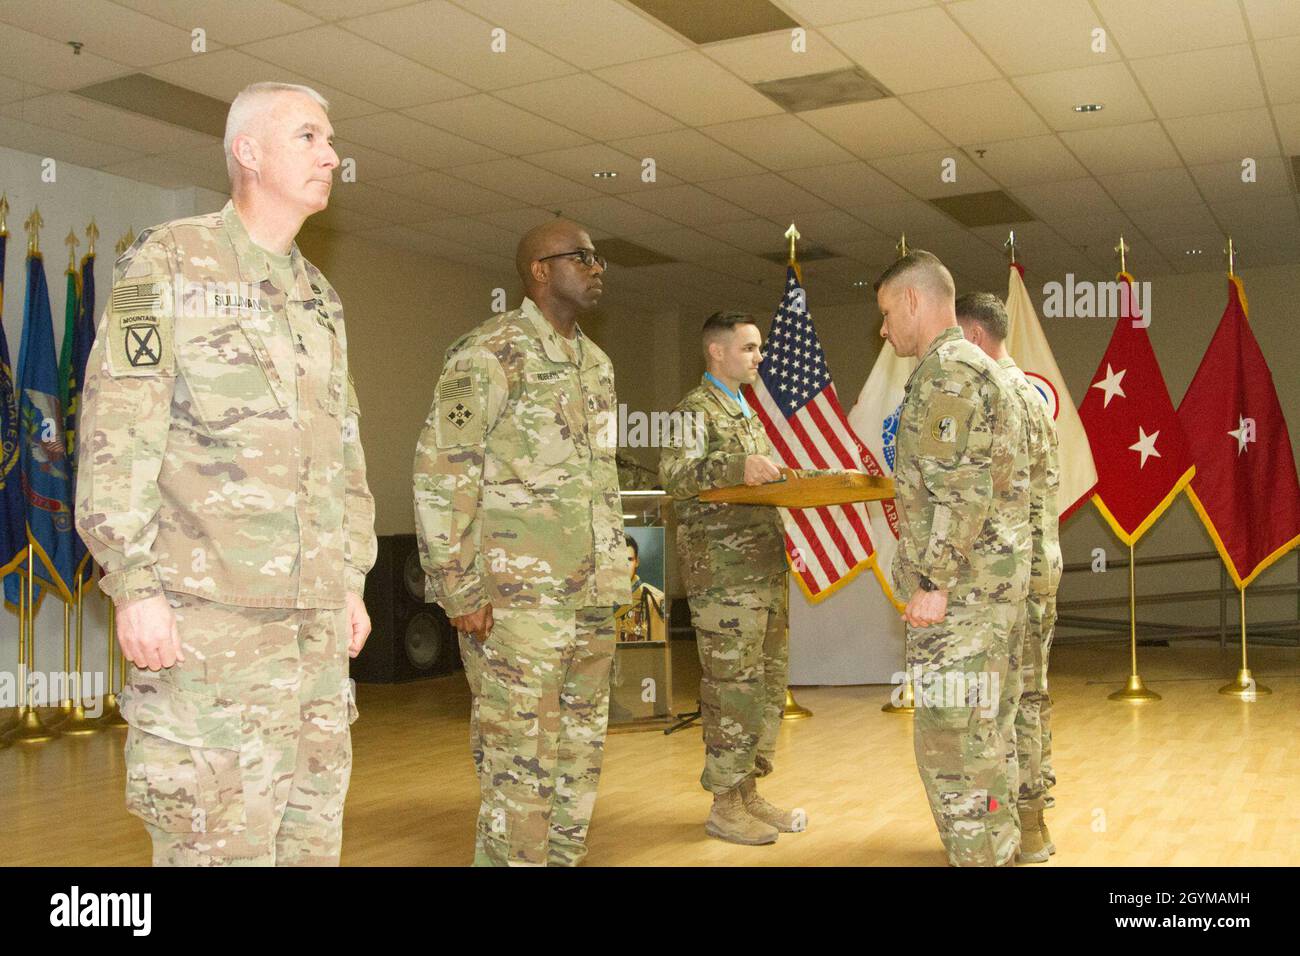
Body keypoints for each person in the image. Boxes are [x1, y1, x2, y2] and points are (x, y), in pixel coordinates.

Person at [75, 82, 376, 867]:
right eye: (309, 136)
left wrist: (350, 578)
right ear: (247, 152)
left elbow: (343, 450)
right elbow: (117, 431)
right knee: (213, 847)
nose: (331, 154)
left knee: (309, 847)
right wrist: (133, 584)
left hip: (312, 635)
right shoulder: (168, 261)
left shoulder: (320, 299)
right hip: (208, 629)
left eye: (332, 138)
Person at [414, 218, 628, 867]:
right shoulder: (488, 353)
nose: (596, 269)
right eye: (581, 258)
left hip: (590, 597)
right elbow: (443, 470)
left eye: (598, 259)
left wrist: (616, 568)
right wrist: (458, 588)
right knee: (520, 757)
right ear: (539, 271)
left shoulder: (596, 363)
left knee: (579, 753)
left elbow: (601, 476)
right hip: (515, 605)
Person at [875, 252, 1030, 867]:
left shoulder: (947, 374)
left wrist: (933, 582)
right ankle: (1003, 852)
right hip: (993, 588)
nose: (884, 330)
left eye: (886, 313)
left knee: (952, 744)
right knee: (989, 734)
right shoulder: (980, 368)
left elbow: (962, 487)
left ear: (914, 300)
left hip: (962, 595)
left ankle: (981, 857)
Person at [659, 310, 802, 846]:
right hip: (724, 579)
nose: (759, 357)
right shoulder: (694, 411)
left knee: (765, 684)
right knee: (731, 689)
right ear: (716, 352)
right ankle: (723, 803)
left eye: (759, 348)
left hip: (763, 570)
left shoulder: (745, 410)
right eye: (749, 348)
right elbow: (674, 477)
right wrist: (735, 467)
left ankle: (747, 793)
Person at [956, 291, 1062, 863]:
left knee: (1002, 702)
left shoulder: (995, 394)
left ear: (972, 337)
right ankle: (1032, 824)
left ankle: (1011, 829)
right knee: (1030, 696)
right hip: (1038, 565)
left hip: (1009, 573)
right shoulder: (1030, 395)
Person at [616, 533, 665, 643]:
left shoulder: (654, 600)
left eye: (629, 559)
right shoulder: (594, 600)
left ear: (637, 562)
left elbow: (659, 651)